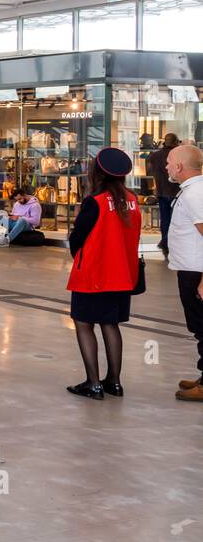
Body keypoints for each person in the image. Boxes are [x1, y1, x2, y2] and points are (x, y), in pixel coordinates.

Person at [65, 147, 142, 400]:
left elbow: (78, 238)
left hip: (94, 274)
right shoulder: (132, 200)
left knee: (83, 323)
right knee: (110, 324)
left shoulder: (94, 202)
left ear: (96, 172)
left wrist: (77, 253)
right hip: (123, 274)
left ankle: (93, 382)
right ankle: (114, 382)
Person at [165, 143, 203, 402]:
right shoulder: (192, 191)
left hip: (196, 273)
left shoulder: (194, 194)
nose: (166, 166)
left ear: (179, 166)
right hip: (190, 269)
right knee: (200, 327)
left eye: (168, 162)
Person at [148, 133, 181, 254]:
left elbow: (151, 170)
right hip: (175, 192)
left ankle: (165, 243)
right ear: (175, 142)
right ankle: (168, 243)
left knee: (165, 219)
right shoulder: (177, 155)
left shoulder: (155, 156)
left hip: (161, 191)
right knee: (175, 220)